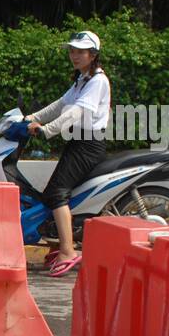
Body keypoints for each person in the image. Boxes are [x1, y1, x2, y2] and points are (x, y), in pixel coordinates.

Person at [25, 30, 111, 276]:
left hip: (88, 146)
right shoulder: (82, 79)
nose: (74, 55)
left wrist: (47, 130)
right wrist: (30, 118)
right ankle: (60, 243)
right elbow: (61, 105)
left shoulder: (97, 81)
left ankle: (68, 250)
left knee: (56, 194)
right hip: (78, 143)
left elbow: (76, 114)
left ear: (93, 54)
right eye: (72, 50)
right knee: (52, 193)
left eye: (80, 51)